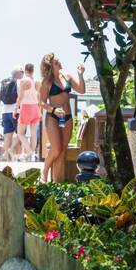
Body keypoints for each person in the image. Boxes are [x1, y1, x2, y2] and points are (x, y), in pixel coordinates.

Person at [39, 53, 86, 182]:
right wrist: (53, 109)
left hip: (68, 117)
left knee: (62, 151)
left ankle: (56, 183)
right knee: (56, 149)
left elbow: (81, 90)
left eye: (59, 61)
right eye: (56, 62)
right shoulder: (47, 82)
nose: (59, 63)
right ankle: (44, 171)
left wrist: (80, 75)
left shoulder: (67, 76)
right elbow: (41, 103)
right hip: (53, 117)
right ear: (50, 67)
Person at [17, 61, 40, 161]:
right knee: (33, 133)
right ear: (33, 71)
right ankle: (33, 153)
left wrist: (16, 107)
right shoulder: (37, 81)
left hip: (26, 107)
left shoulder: (23, 81)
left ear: (25, 71)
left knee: (20, 133)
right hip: (35, 107)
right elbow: (39, 96)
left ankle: (30, 152)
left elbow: (21, 96)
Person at [0, 68, 22, 161]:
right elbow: (20, 97)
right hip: (15, 111)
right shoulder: (18, 82)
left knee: (8, 136)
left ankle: (7, 158)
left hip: (4, 112)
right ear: (18, 73)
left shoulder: (3, 82)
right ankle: (16, 156)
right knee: (21, 134)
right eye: (22, 72)